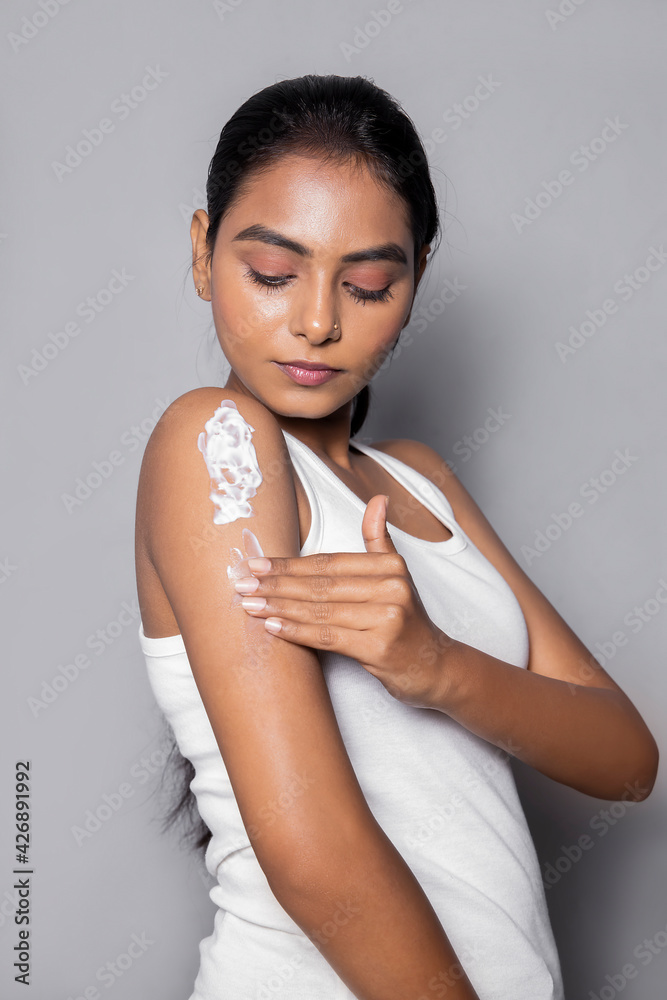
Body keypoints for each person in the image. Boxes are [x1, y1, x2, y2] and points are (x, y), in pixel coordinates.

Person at [134, 73, 659, 1000]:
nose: (317, 321)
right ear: (203, 254)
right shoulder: (213, 441)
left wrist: (433, 666)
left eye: (368, 283)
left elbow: (625, 760)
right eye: (272, 273)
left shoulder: (420, 480)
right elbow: (312, 857)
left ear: (415, 280)